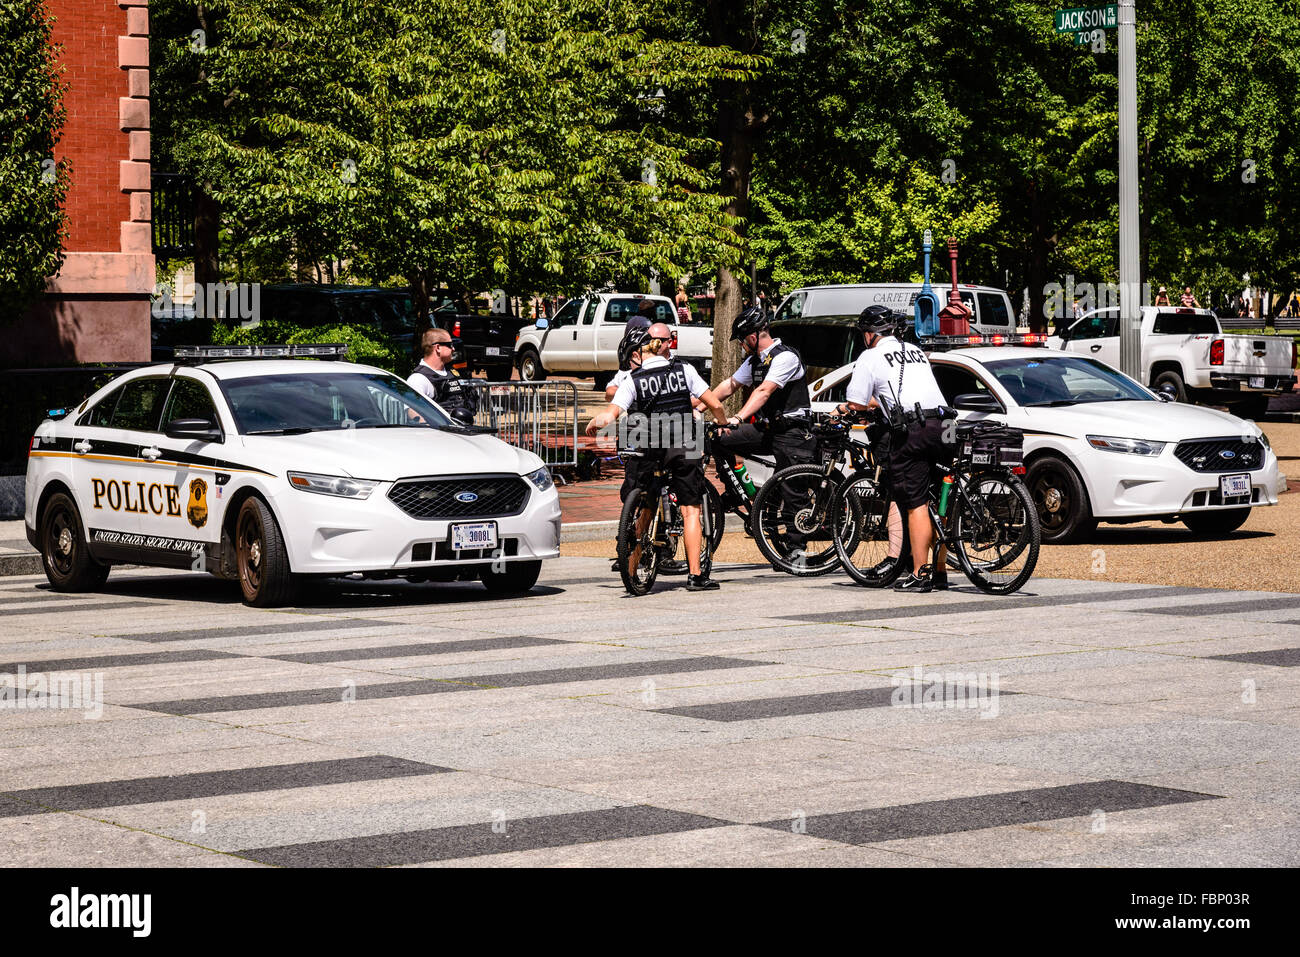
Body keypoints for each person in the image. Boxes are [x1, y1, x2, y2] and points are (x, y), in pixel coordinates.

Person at [586, 323, 729, 591]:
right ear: (662, 346)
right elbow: (715, 403)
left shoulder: (633, 379)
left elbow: (611, 413)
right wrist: (722, 422)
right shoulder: (683, 370)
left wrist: (597, 421)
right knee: (690, 509)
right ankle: (696, 576)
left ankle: (631, 570)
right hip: (683, 442)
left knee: (647, 504)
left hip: (648, 444)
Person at [833, 304, 954, 593]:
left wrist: (840, 410)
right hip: (945, 423)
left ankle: (920, 573)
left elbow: (857, 404)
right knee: (941, 497)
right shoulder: (914, 350)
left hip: (914, 429)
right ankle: (940, 570)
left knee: (915, 504)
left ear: (869, 334)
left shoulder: (870, 356)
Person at [706, 306, 817, 503]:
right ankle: (737, 490)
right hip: (768, 430)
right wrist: (699, 406)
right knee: (717, 438)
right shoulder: (755, 362)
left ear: (752, 337)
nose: (741, 345)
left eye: (741, 339)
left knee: (791, 496)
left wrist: (738, 417)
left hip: (792, 432)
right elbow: (729, 385)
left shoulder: (785, 357)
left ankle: (795, 533)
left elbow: (764, 391)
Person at [406, 327, 479, 425]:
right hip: (439, 436)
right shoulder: (418, 379)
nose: (453, 348)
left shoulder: (452, 372)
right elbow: (412, 411)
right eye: (450, 345)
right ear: (438, 348)